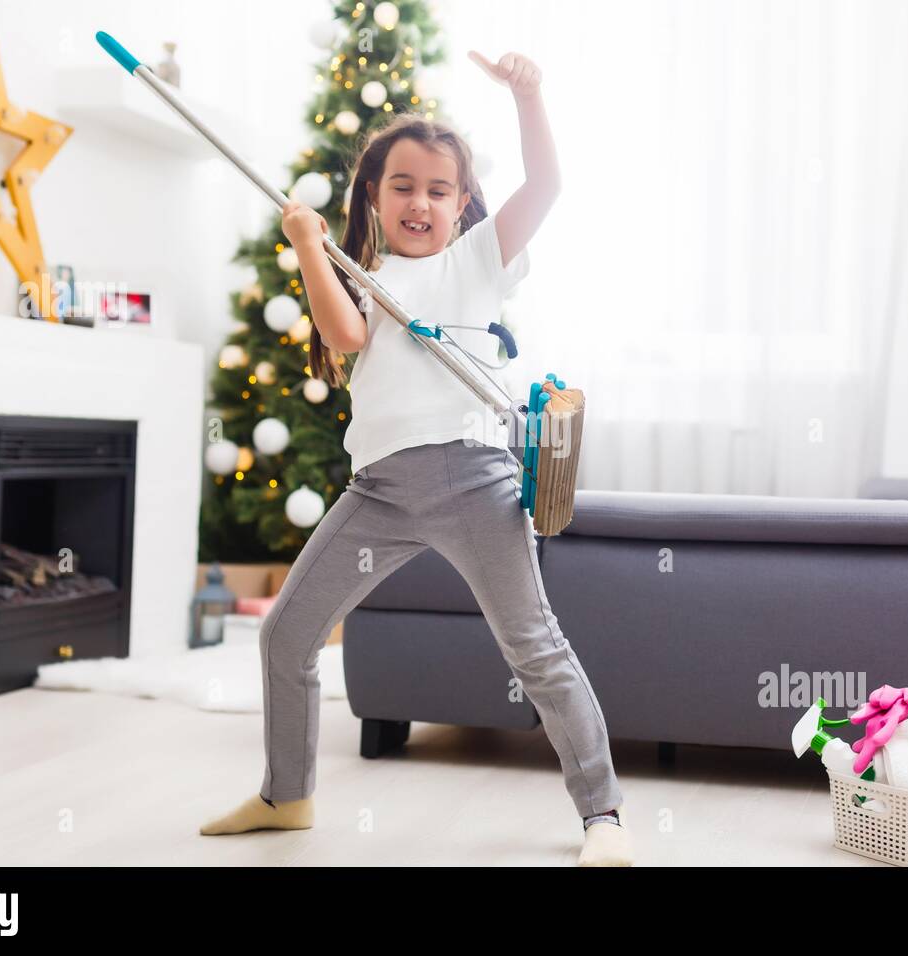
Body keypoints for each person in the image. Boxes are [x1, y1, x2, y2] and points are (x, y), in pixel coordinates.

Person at [200, 50, 632, 867]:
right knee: (286, 636)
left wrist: (529, 96)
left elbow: (544, 186)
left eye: (439, 189)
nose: (420, 201)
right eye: (401, 185)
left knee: (535, 648)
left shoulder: (481, 260)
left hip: (474, 481)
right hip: (381, 492)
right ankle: (286, 796)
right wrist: (308, 245)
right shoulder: (371, 276)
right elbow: (347, 337)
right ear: (374, 195)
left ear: (462, 201)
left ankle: (602, 814)